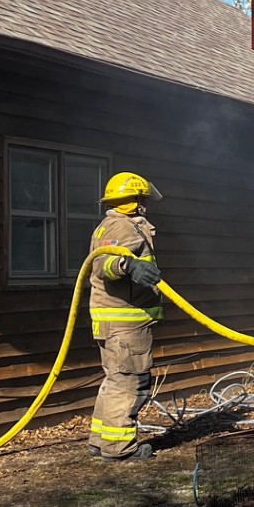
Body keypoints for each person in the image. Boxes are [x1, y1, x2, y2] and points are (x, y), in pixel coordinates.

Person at [87, 172, 164, 462]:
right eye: (144, 200)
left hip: (114, 321)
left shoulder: (110, 225)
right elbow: (102, 264)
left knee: (115, 380)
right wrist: (128, 267)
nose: (147, 205)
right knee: (130, 382)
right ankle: (119, 448)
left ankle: (100, 440)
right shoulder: (124, 228)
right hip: (126, 323)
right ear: (136, 202)